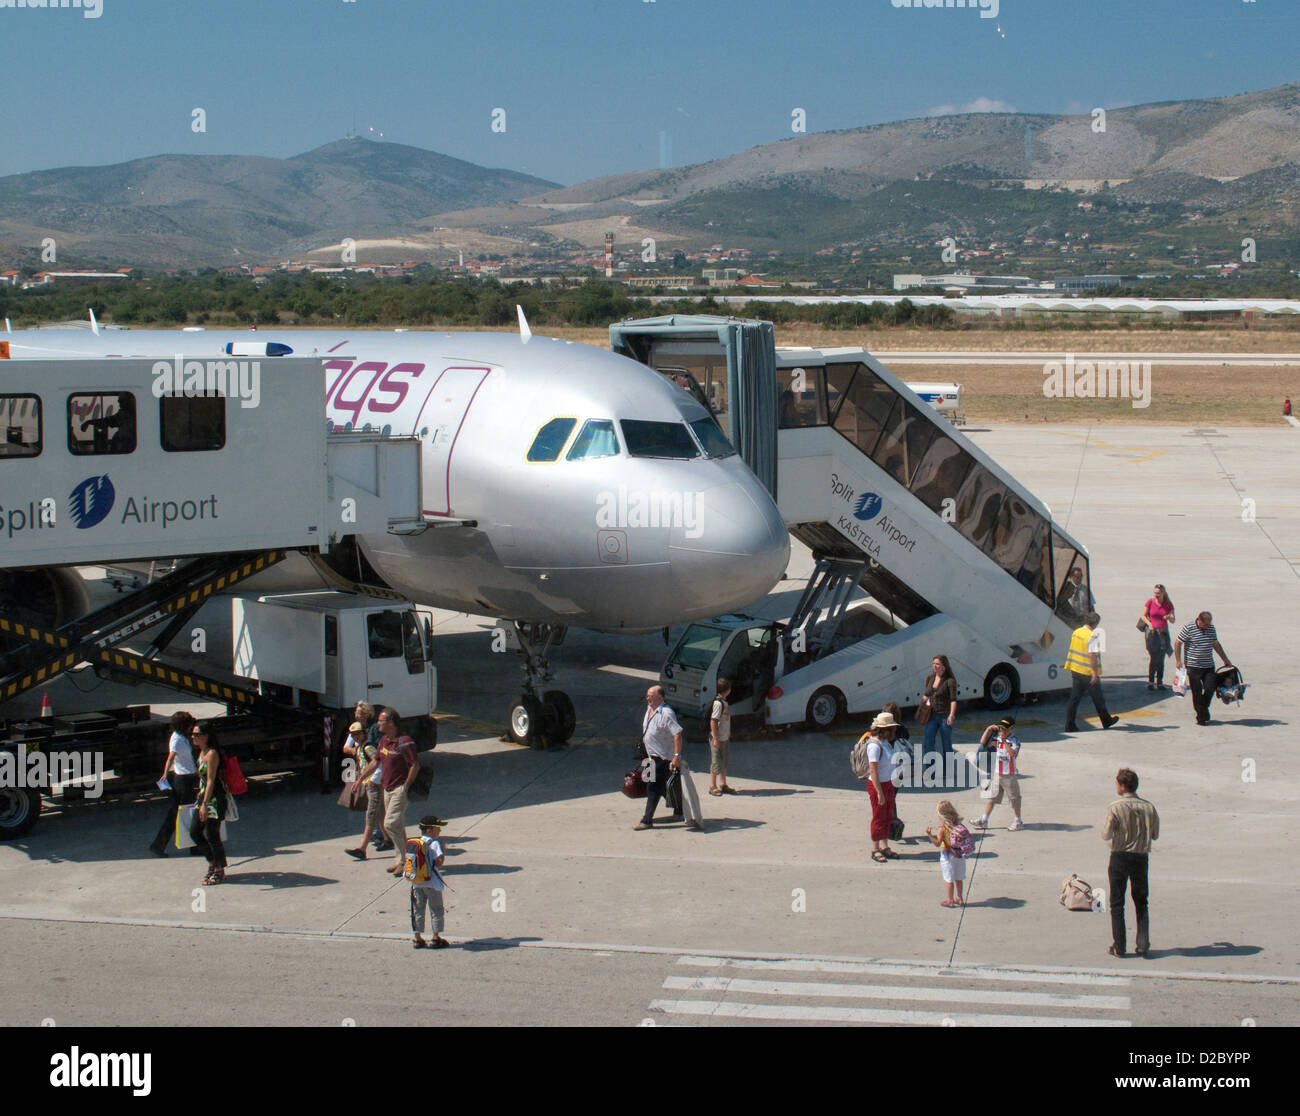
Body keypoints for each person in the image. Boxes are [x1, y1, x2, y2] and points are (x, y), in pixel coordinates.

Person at [1101, 768, 1159, 958]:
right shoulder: (1149, 807)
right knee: (1141, 901)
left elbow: (1107, 834)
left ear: (1122, 786)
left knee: (1117, 903)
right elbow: (1155, 835)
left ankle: (1119, 945)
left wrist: (1108, 835)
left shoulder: (1115, 807)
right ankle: (1143, 944)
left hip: (1120, 856)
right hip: (1141, 858)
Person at [636, 685, 695, 829]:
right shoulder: (650, 710)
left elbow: (677, 734)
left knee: (653, 787)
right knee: (660, 786)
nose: (647, 697)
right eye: (647, 695)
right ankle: (680, 808)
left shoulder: (667, 713)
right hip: (649, 755)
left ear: (660, 697)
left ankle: (646, 820)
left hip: (662, 757)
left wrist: (676, 756)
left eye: (651, 695)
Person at [378, 708, 420, 874]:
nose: (378, 724)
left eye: (381, 721)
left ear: (391, 723)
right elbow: (376, 762)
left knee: (390, 824)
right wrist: (360, 779)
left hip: (399, 790)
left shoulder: (405, 741)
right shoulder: (384, 740)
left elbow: (415, 765)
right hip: (386, 789)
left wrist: (405, 786)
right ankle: (402, 861)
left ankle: (406, 860)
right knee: (398, 826)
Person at [150, 711, 198, 856]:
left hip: (185, 779)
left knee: (177, 814)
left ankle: (159, 845)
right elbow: (171, 756)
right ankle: (194, 846)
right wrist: (165, 773)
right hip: (183, 781)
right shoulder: (177, 739)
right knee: (188, 813)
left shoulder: (181, 737)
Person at [1174, 611, 1232, 727]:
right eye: (1205, 625)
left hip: (1208, 666)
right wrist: (1178, 660)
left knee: (1210, 688)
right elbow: (1177, 642)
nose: (1207, 627)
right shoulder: (1189, 627)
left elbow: (1215, 644)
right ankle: (1201, 717)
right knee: (1197, 692)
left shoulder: (1211, 628)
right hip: (1193, 666)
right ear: (1199, 620)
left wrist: (1225, 659)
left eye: (1208, 625)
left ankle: (1203, 709)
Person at [1064, 612, 1119, 732]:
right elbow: (1092, 656)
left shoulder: (1077, 632)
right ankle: (1106, 721)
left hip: (1076, 669)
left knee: (1074, 699)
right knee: (1098, 699)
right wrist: (1094, 673)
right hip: (1088, 673)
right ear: (1095, 623)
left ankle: (1069, 724)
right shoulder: (1092, 636)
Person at [191, 724, 229, 885]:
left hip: (214, 799)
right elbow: (203, 780)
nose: (193, 737)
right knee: (195, 832)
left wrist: (205, 804)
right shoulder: (202, 752)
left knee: (212, 835)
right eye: (192, 734)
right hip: (204, 797)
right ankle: (213, 862)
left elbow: (211, 780)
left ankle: (219, 870)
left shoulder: (212, 754)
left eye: (196, 734)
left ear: (206, 736)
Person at [343, 721, 387, 860]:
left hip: (374, 786)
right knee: (380, 816)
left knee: (371, 816)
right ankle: (389, 839)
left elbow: (378, 762)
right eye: (353, 734)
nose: (355, 737)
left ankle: (362, 849)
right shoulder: (361, 747)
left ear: (364, 733)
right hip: (370, 785)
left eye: (358, 734)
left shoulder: (367, 747)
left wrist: (371, 779)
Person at [970, 716, 1022, 831]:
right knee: (992, 797)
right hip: (998, 773)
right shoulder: (997, 738)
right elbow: (983, 743)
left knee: (1014, 799)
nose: (1001, 731)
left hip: (1009, 775)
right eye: (1000, 729)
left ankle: (1018, 821)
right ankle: (984, 819)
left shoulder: (1014, 741)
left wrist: (1004, 742)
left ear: (1011, 729)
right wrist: (988, 729)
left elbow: (1013, 754)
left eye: (1004, 729)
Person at [862, 711, 899, 863]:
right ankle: (875, 849)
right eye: (892, 728)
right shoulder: (875, 746)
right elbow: (873, 770)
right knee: (878, 817)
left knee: (888, 815)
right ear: (885, 729)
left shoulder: (885, 743)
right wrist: (879, 792)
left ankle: (884, 846)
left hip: (888, 783)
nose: (894, 731)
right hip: (878, 785)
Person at [409, 815, 450, 950]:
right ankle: (435, 937)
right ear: (429, 830)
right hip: (432, 883)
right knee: (436, 909)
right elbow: (439, 864)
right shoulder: (434, 844)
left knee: (418, 909)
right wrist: (443, 851)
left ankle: (417, 937)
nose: (439, 831)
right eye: (437, 828)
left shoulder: (415, 843)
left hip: (416, 883)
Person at [925, 801, 968, 907]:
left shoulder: (943, 828)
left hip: (948, 855)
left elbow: (937, 844)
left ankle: (950, 900)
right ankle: (960, 898)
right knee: (959, 878)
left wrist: (929, 834)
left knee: (949, 879)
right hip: (959, 854)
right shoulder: (959, 825)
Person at [920, 655, 958, 757]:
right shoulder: (930, 678)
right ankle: (930, 770)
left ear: (944, 667)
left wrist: (951, 715)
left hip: (944, 716)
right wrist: (922, 707)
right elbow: (927, 695)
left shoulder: (950, 681)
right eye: (933, 664)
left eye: (937, 664)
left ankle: (948, 770)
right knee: (928, 744)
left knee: (946, 745)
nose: (934, 666)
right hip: (931, 716)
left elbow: (953, 700)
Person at [1141, 584, 1176, 691]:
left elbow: (1173, 620)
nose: (1156, 595)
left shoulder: (1168, 604)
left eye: (1158, 593)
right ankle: (1151, 681)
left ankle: (1159, 682)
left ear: (1163, 593)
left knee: (1161, 658)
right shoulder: (1150, 602)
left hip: (1163, 633)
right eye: (1155, 593)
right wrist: (1149, 623)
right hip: (1152, 633)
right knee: (1153, 657)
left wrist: (1169, 616)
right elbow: (1143, 615)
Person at [708, 678, 734, 796]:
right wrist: (716, 739)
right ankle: (712, 786)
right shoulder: (718, 703)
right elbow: (713, 721)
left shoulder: (724, 701)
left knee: (723, 761)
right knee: (716, 762)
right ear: (728, 690)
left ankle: (723, 784)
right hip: (717, 738)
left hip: (724, 737)